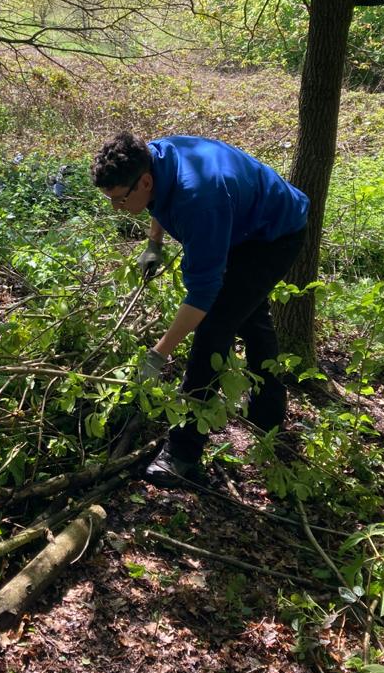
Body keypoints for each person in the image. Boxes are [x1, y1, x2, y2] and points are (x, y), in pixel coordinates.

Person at [91, 132, 309, 487]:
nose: (116, 207)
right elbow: (157, 198)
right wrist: (154, 242)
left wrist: (159, 353)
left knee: (214, 330)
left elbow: (203, 295)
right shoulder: (154, 157)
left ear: (143, 182)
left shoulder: (199, 201)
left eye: (119, 199)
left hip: (273, 235)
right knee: (249, 317)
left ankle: (182, 454)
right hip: (239, 222)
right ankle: (268, 413)